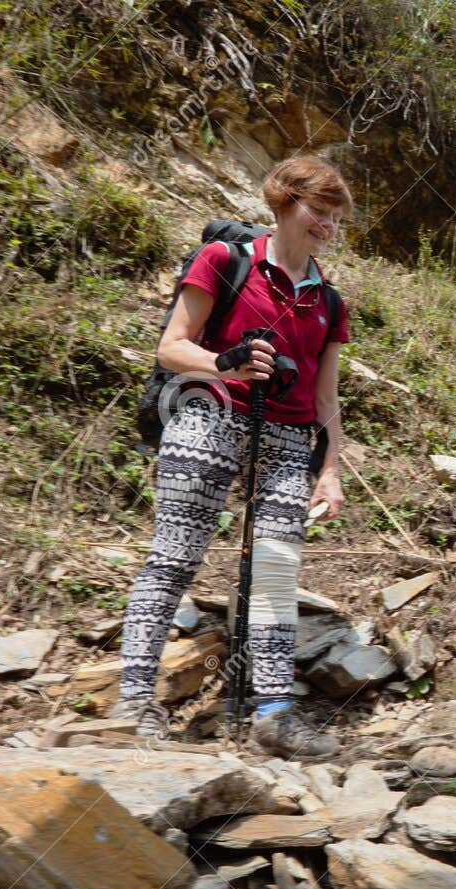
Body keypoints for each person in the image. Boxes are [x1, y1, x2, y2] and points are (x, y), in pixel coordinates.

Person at [113, 156, 353, 759]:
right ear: (283, 202)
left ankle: (273, 714)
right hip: (211, 417)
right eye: (316, 210)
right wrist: (227, 363)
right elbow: (172, 347)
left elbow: (326, 395)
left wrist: (330, 470)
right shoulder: (224, 262)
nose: (325, 224)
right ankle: (134, 701)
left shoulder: (328, 299)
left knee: (275, 573)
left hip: (289, 441)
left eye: (333, 216)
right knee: (173, 558)